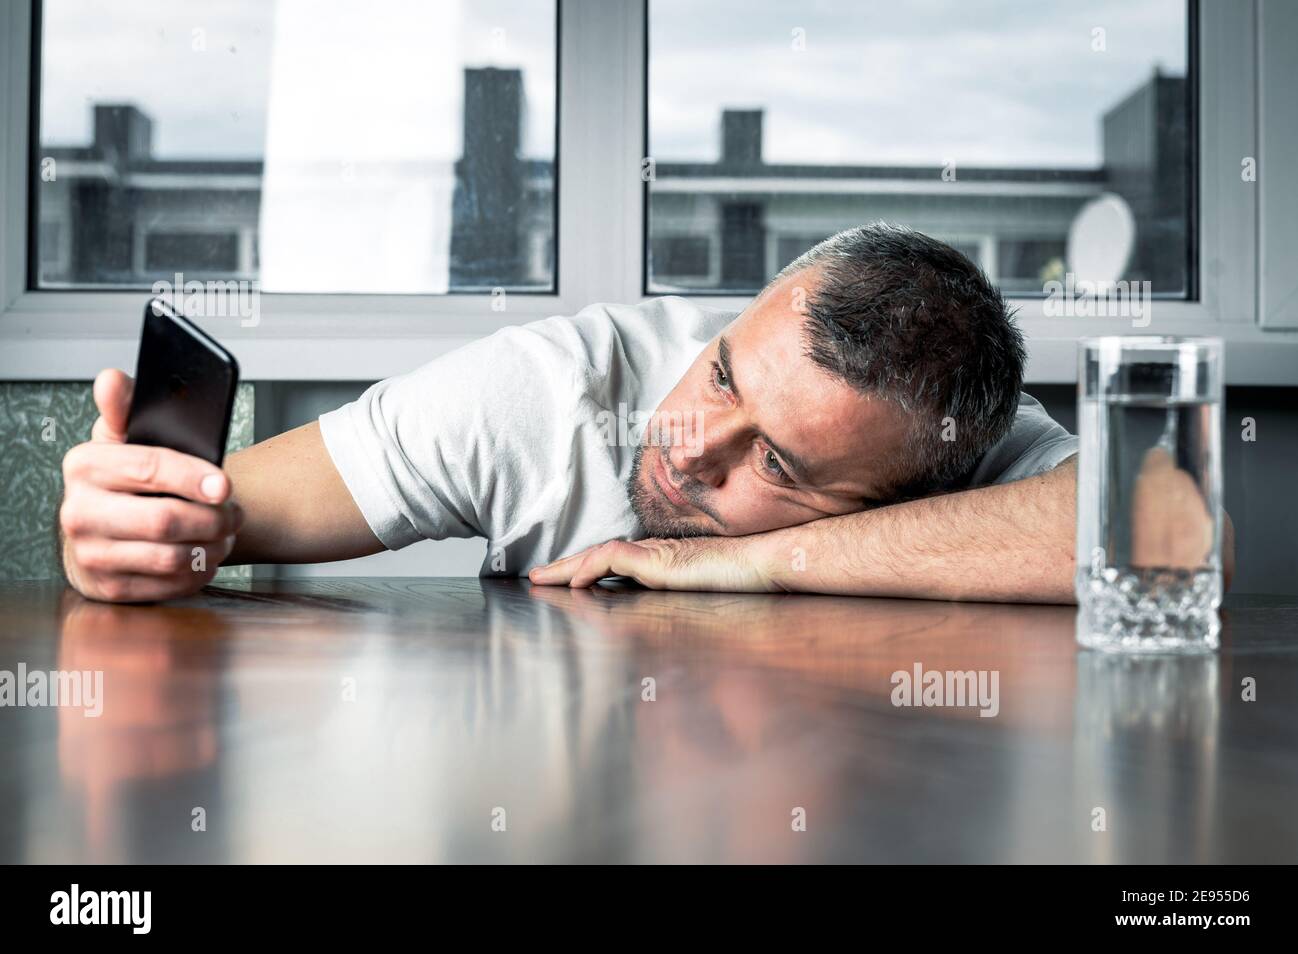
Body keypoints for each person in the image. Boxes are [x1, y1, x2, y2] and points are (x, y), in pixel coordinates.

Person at [59, 224, 1151, 604]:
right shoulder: (546, 389)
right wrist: (141, 528)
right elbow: (218, 517)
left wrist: (737, 565)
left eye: (774, 461)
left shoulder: (970, 443)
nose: (689, 449)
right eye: (722, 376)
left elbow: (1166, 542)